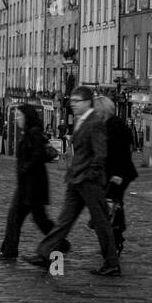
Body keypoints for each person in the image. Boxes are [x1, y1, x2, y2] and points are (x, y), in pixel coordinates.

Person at [26, 87, 120, 277]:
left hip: (89, 181)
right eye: (72, 101)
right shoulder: (80, 120)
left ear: (87, 102)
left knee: (101, 223)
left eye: (77, 101)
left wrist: (90, 174)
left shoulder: (95, 122)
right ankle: (45, 254)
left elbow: (100, 154)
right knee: (64, 221)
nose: (73, 104)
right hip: (76, 179)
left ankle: (111, 263)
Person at [0, 105, 64, 261]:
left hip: (33, 185)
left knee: (39, 220)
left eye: (19, 115)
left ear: (27, 117)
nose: (17, 118)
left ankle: (60, 243)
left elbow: (38, 154)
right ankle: (9, 250)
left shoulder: (34, 133)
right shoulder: (29, 132)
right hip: (27, 184)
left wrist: (26, 167)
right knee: (16, 218)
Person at [94, 96, 138, 256]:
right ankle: (115, 240)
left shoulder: (114, 127)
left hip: (118, 174)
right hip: (115, 173)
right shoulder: (110, 125)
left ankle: (114, 241)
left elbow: (121, 152)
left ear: (102, 111)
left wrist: (117, 175)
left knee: (111, 206)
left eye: (96, 110)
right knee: (114, 205)